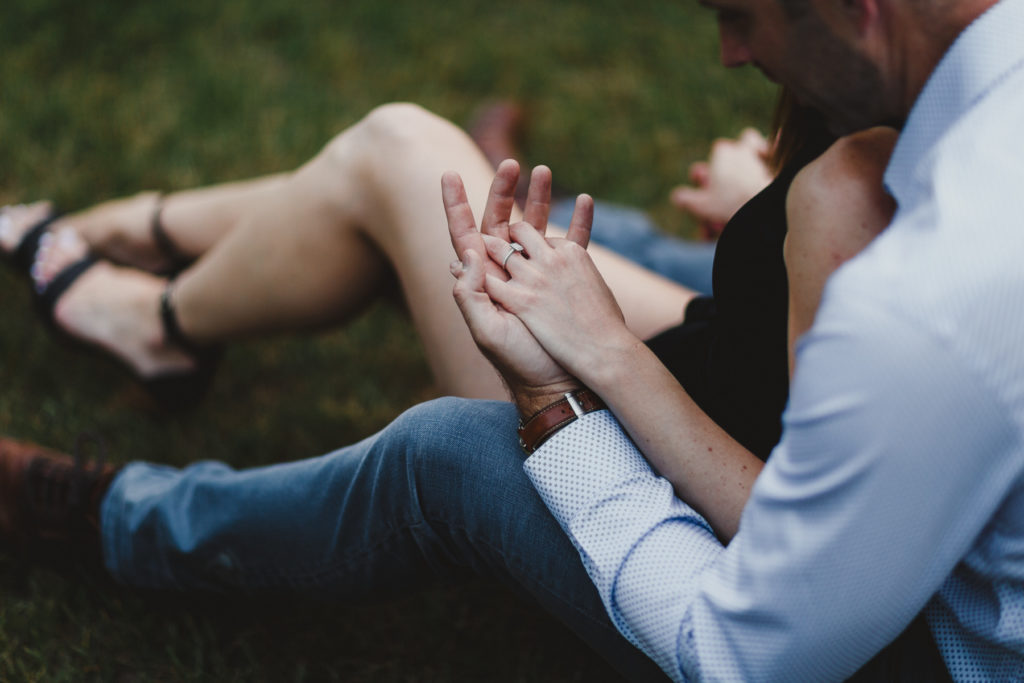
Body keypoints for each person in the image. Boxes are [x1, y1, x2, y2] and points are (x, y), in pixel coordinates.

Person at [5, 0, 1020, 680]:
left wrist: (577, 375)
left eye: (735, 12)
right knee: (429, 183)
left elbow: (752, 639)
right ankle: (119, 255)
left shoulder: (922, 299)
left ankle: (108, 496)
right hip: (732, 372)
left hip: (836, 603)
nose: (728, 53)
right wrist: (783, 219)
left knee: (440, 435)